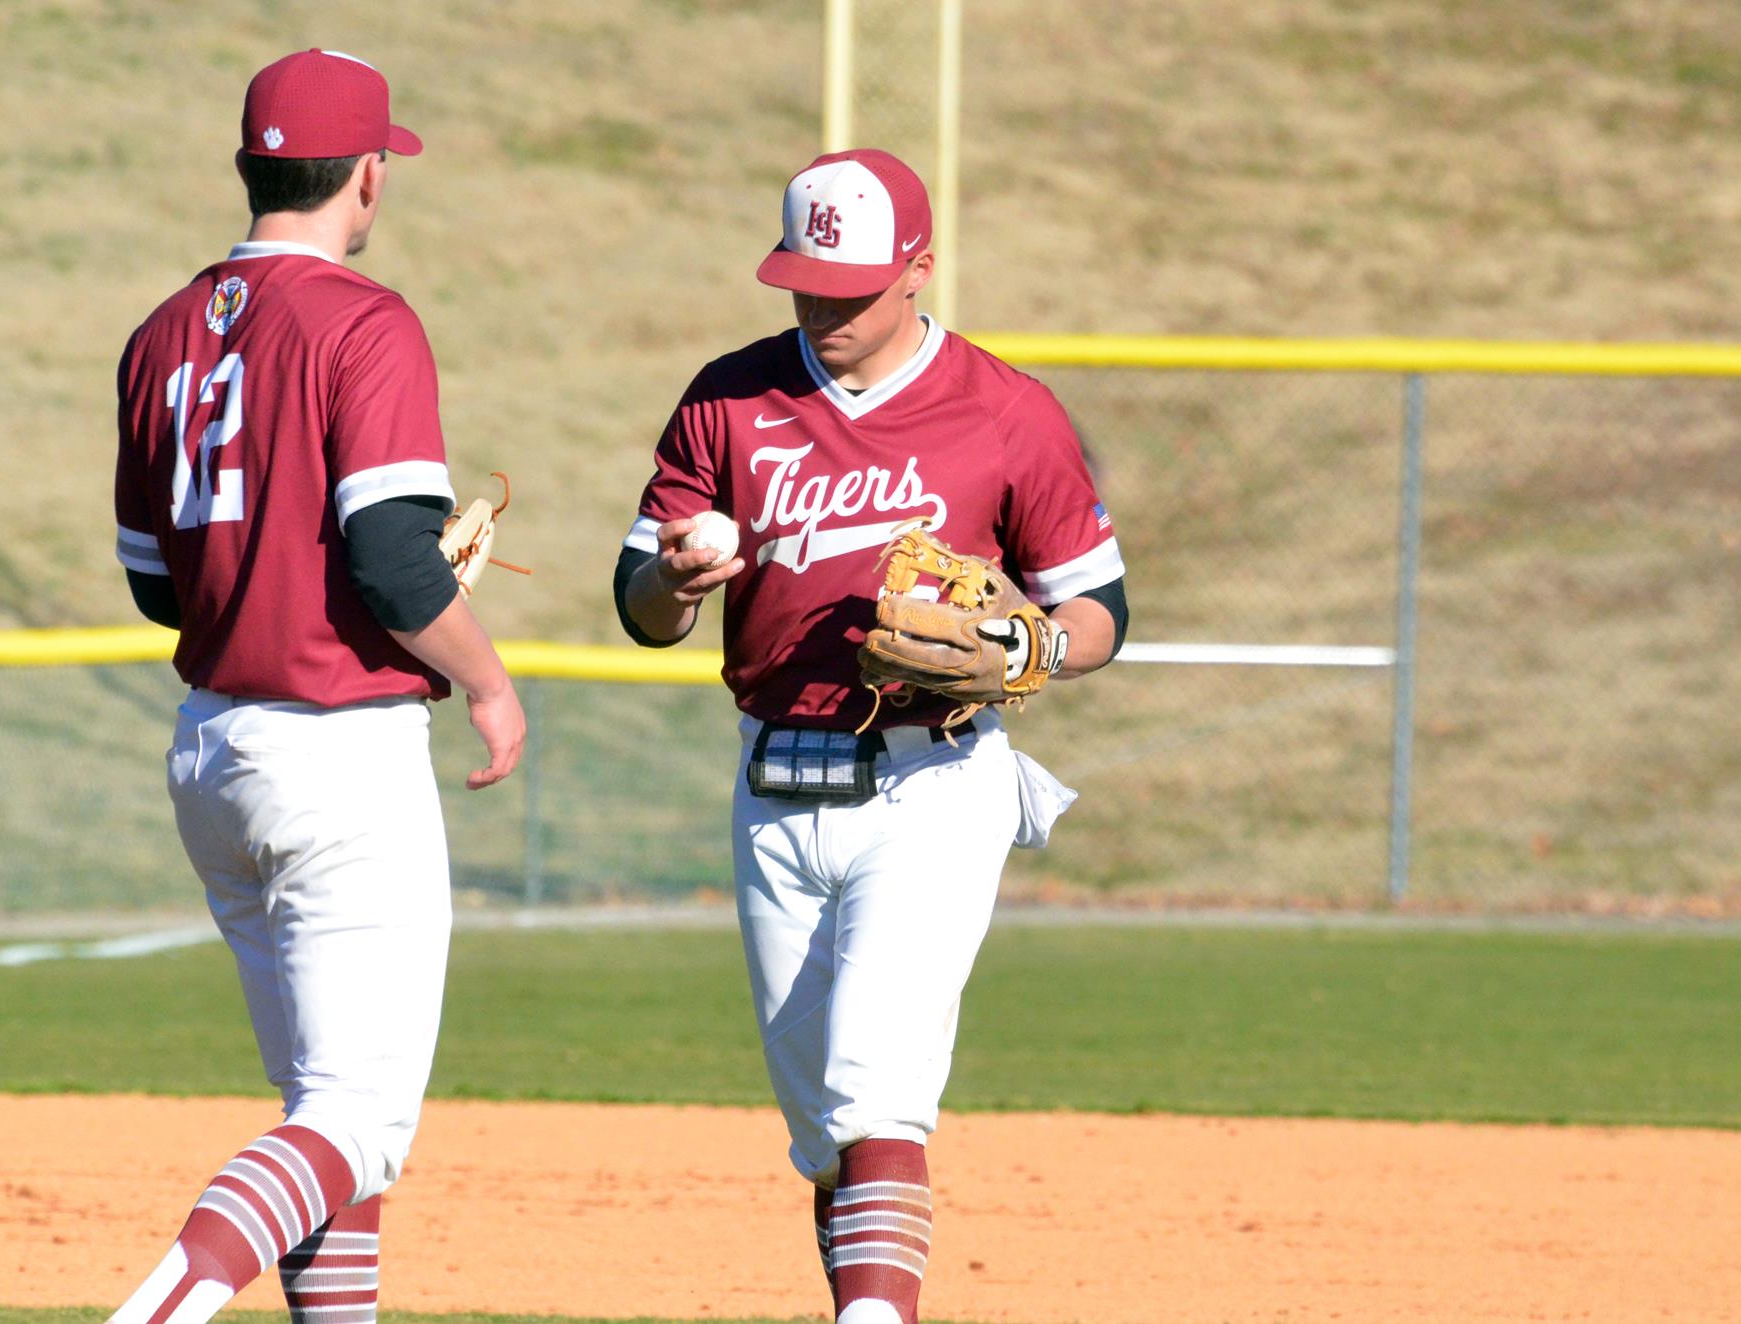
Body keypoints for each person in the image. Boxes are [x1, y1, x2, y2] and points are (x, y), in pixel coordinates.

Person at [613, 148, 1128, 1324]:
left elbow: (1100, 603)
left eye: (850, 287)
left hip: (933, 779)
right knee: (821, 1134)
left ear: (919, 268)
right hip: (773, 781)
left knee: (872, 1092)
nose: (823, 310)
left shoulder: (1004, 408)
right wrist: (679, 582)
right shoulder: (726, 397)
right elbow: (638, 604)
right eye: (803, 282)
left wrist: (1037, 648)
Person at [108, 49, 525, 1324]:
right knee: (357, 1119)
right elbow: (397, 561)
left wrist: (280, 573)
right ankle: (157, 1310)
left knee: (323, 1130)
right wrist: (492, 682)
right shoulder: (362, 320)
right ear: (367, 174)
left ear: (250, 164)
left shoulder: (162, 332)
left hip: (212, 752)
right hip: (338, 751)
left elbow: (154, 584)